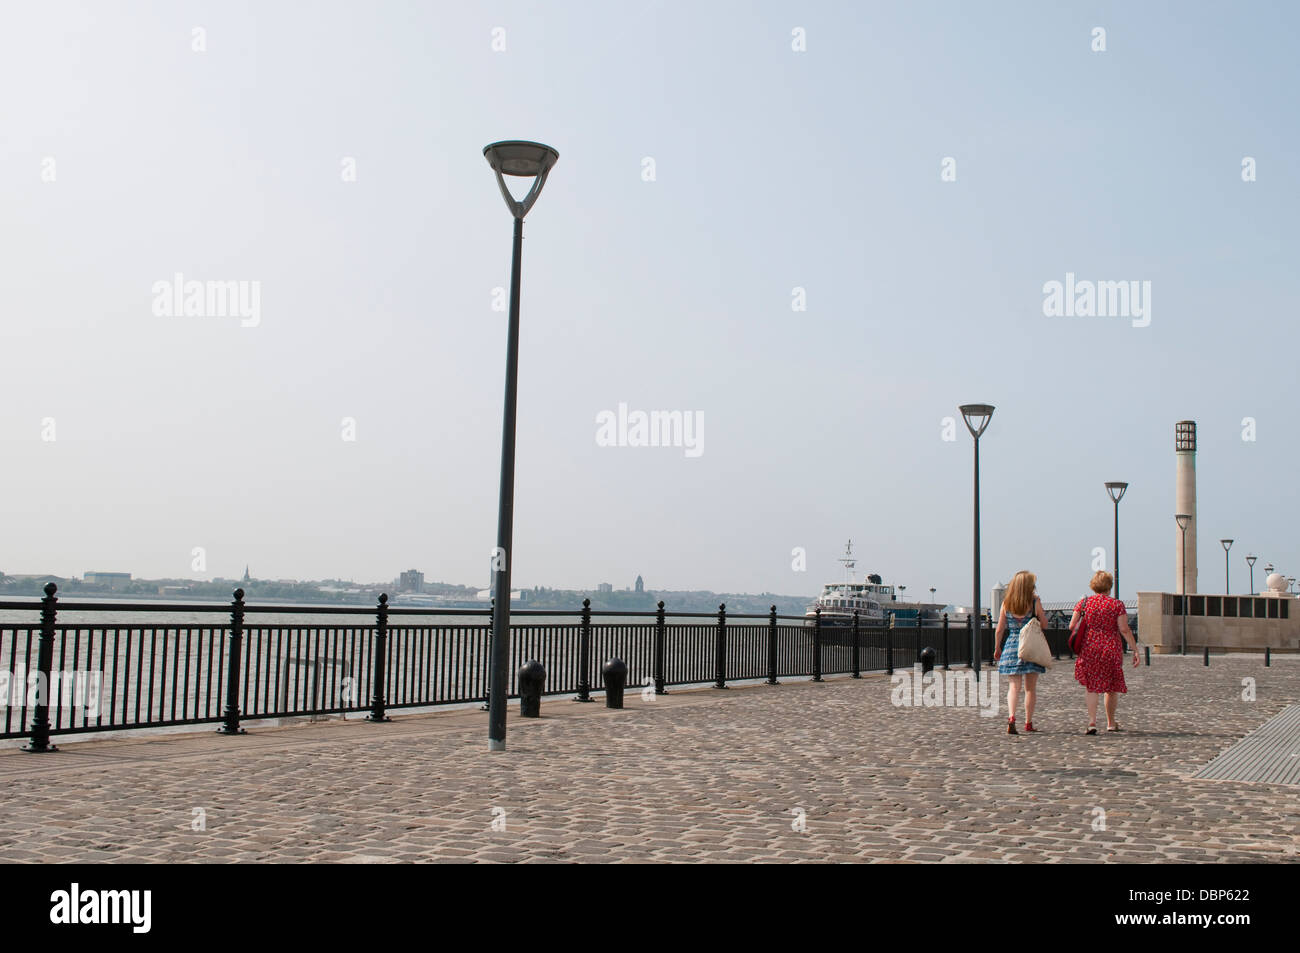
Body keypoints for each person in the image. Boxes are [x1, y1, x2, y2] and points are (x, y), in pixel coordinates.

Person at [1070, 570, 1139, 734]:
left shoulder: (1084, 603)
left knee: (1091, 687)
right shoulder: (1116, 605)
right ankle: (1110, 722)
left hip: (1089, 648)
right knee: (1111, 687)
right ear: (1109, 586)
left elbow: (1072, 625)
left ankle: (1092, 722)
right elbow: (1124, 629)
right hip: (1110, 648)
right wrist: (1135, 649)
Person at [993, 570, 1049, 735]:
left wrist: (997, 647)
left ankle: (1011, 717)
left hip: (1012, 645)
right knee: (1030, 688)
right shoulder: (1033, 602)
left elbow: (1000, 629)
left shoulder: (1007, 603)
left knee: (1013, 687)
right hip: (1030, 645)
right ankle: (1028, 722)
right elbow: (1044, 624)